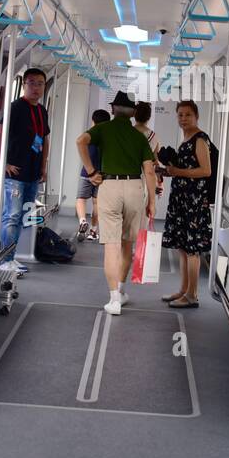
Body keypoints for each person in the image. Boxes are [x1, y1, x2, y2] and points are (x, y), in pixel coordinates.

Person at [77, 91, 156, 315]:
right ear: (132, 113)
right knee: (127, 244)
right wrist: (152, 201)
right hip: (134, 188)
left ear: (113, 110)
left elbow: (80, 141)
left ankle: (113, 301)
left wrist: (91, 172)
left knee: (111, 245)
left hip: (109, 186)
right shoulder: (139, 137)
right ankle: (121, 291)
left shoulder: (102, 129)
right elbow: (149, 171)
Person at [0, 67, 49, 277]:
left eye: (40, 84)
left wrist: (43, 167)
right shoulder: (16, 107)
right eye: (32, 83)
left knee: (22, 217)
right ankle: (3, 260)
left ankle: (10, 257)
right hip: (16, 172)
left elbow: (44, 139)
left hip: (33, 172)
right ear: (24, 85)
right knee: (12, 215)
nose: (36, 88)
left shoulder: (41, 110)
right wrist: (4, 163)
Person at [161, 99, 212, 308]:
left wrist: (178, 172)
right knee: (183, 248)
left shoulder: (200, 139)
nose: (183, 119)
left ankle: (192, 295)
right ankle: (183, 290)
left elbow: (205, 171)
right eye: (180, 115)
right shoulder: (186, 139)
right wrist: (167, 171)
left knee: (192, 250)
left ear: (196, 116)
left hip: (194, 201)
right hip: (182, 199)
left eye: (188, 115)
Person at [77, 109, 111, 242]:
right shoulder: (108, 138)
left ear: (93, 121)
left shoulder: (88, 135)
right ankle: (93, 230)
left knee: (81, 199)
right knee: (96, 202)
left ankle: (82, 220)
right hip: (101, 175)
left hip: (86, 173)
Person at [134, 101, 165, 204]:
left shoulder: (127, 132)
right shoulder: (154, 137)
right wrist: (160, 183)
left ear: (134, 114)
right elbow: (156, 163)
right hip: (145, 178)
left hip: (126, 176)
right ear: (149, 117)